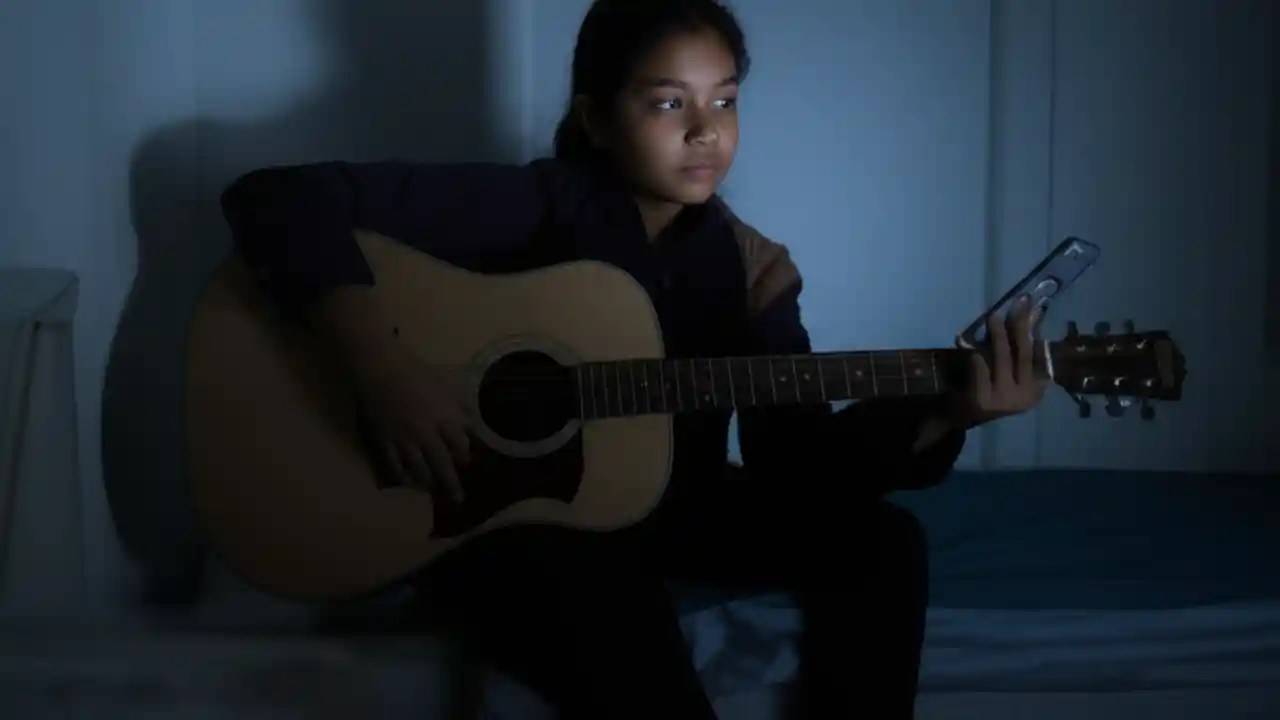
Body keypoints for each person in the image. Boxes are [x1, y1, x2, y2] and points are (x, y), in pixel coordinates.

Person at [218, 1, 1047, 716]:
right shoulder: (538, 204)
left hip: (677, 509)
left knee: (884, 541)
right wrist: (382, 369)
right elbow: (276, 197)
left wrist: (948, 410)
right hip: (507, 524)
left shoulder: (752, 268)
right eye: (667, 103)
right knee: (597, 587)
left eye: (725, 100)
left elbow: (794, 457)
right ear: (596, 119)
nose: (706, 130)